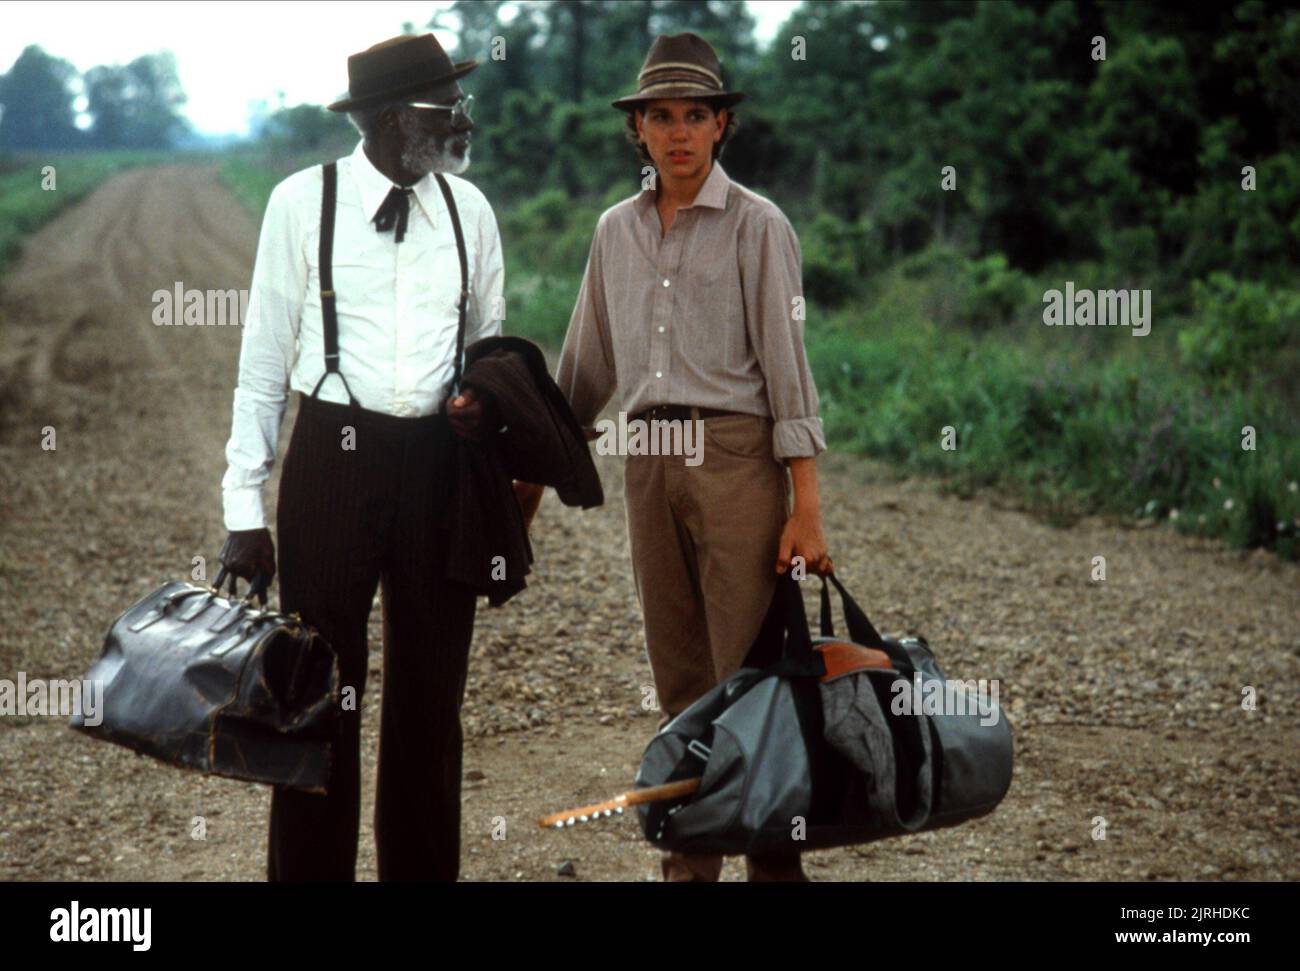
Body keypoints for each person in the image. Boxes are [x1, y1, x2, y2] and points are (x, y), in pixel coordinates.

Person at [518, 32, 832, 882]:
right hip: (647, 460)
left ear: (722, 126)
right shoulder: (614, 232)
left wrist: (805, 504)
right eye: (662, 116)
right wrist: (530, 488)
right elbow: (584, 370)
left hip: (735, 459)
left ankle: (775, 863)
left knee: (754, 679)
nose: (679, 132)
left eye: (697, 115)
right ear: (639, 132)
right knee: (683, 678)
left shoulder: (759, 226)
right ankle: (690, 867)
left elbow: (787, 369)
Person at [218, 33, 503, 881]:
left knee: (429, 698)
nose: (463, 118)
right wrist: (243, 508)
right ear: (389, 118)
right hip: (333, 459)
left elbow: (488, 343)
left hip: (436, 466)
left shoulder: (470, 209)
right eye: (445, 104)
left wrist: (482, 401)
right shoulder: (301, 203)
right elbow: (263, 363)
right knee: (315, 693)